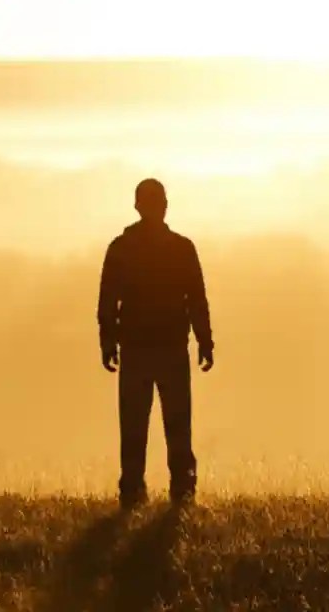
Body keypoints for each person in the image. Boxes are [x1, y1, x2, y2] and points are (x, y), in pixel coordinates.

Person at [97, 178, 214, 508]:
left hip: (140, 349)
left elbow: (108, 301)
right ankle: (182, 492)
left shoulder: (121, 248)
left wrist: (108, 342)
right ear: (165, 206)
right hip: (168, 348)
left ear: (138, 206)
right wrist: (204, 340)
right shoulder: (181, 248)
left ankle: (134, 492)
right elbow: (197, 299)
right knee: (176, 425)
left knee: (135, 426)